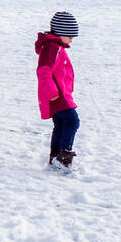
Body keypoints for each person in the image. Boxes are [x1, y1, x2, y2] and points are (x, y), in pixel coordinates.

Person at [37, 12, 80, 170]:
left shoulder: (55, 47)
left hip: (58, 94)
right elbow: (43, 70)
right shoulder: (52, 48)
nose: (71, 39)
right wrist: (52, 92)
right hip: (57, 95)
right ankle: (63, 158)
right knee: (72, 121)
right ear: (60, 32)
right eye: (69, 35)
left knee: (61, 123)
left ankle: (55, 157)